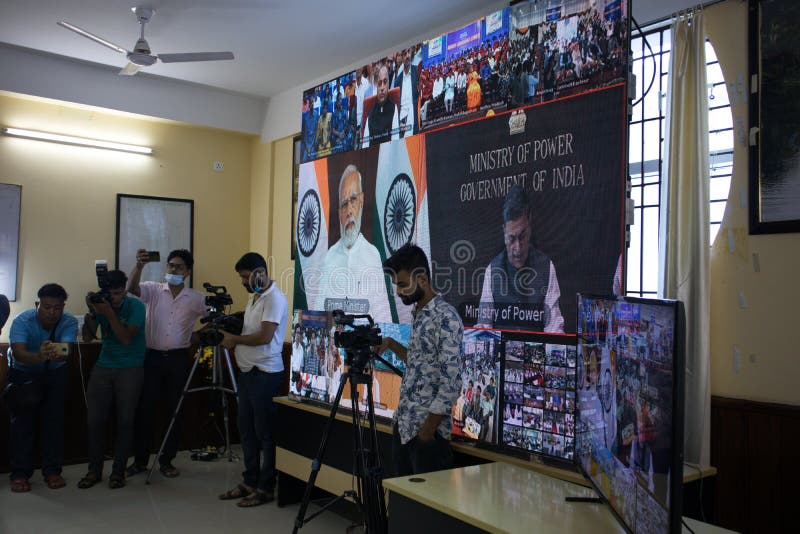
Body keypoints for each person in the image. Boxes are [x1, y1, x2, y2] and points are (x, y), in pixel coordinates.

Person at [377, 244, 463, 476]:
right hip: (404, 428)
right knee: (400, 498)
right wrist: (390, 344)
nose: (398, 292)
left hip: (426, 437)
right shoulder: (419, 314)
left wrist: (427, 431)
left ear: (422, 279)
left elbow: (451, 382)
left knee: (424, 501)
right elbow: (419, 363)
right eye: (396, 285)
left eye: (402, 284)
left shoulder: (446, 317)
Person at [125, 249, 208, 479]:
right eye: (171, 265)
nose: (173, 269)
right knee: (145, 410)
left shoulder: (196, 298)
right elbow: (131, 288)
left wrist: (198, 335)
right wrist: (139, 266)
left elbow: (214, 317)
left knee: (174, 410)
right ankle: (140, 461)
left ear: (188, 271)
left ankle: (167, 461)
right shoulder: (153, 289)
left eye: (179, 267)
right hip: (151, 358)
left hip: (179, 359)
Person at [218, 252, 288, 507]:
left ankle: (266, 487)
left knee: (265, 433)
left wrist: (233, 340)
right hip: (248, 373)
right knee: (247, 430)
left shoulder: (274, 299)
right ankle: (250, 481)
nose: (243, 282)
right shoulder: (256, 297)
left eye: (246, 277)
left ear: (260, 273)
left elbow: (265, 337)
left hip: (265, 374)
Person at [6, 284, 77, 493]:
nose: (52, 312)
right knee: (23, 426)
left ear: (63, 307)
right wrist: (39, 356)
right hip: (23, 374)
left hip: (55, 374)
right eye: (47, 307)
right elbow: (18, 353)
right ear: (37, 304)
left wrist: (57, 355)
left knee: (54, 423)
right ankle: (20, 474)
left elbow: (67, 350)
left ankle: (52, 471)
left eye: (57, 308)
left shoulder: (69, 321)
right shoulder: (22, 321)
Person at [79, 270, 146, 490]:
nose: (115, 298)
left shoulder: (136, 307)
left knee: (125, 422)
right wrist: (92, 312)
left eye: (118, 293)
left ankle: (118, 472)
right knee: (94, 421)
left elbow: (126, 338)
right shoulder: (101, 304)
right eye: (111, 294)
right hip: (103, 366)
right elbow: (87, 338)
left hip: (130, 368)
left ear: (125, 290)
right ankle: (94, 471)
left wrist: (108, 312)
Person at [478, 185, 564, 332]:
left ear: (530, 224)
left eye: (522, 236)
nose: (517, 248)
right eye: (511, 239)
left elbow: (554, 328)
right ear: (504, 231)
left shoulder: (546, 267)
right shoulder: (492, 271)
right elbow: (483, 328)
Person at [315, 164, 392, 322]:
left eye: (353, 200)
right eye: (344, 204)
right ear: (339, 213)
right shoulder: (330, 256)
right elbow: (318, 310)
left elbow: (383, 316)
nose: (349, 211)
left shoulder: (372, 254)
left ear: (362, 201)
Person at [362, 63, 399, 148]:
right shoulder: (370, 114)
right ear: (376, 86)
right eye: (379, 83)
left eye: (385, 82)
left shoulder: (394, 109)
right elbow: (365, 146)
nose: (382, 88)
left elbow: (396, 142)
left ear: (389, 84)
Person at [394, 49, 419, 136]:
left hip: (414, 118)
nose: (407, 56)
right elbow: (396, 106)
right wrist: (399, 123)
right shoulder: (397, 81)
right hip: (402, 123)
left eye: (408, 52)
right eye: (405, 54)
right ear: (401, 57)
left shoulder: (417, 71)